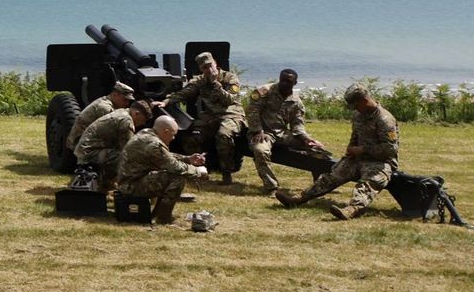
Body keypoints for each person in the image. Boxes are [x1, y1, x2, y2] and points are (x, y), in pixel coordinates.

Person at [276, 84, 398, 219]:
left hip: (380, 162)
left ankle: (352, 209)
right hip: (358, 159)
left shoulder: (385, 120)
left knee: (367, 184)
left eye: (356, 105)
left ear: (364, 101)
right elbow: (355, 136)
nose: (355, 109)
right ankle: (299, 198)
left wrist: (362, 149)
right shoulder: (359, 115)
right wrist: (351, 151)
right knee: (331, 177)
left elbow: (390, 150)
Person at [164, 51, 245, 182]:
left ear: (215, 64)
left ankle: (226, 172)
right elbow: (184, 93)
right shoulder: (200, 80)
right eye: (204, 68)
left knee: (223, 135)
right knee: (191, 136)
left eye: (210, 65)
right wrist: (166, 101)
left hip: (231, 114)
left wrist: (215, 84)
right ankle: (200, 169)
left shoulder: (230, 78)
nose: (208, 69)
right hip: (210, 116)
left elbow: (229, 100)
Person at [245, 68, 327, 192]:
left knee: (316, 149)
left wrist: (305, 138)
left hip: (282, 133)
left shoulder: (296, 101)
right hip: (263, 133)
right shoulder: (264, 92)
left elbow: (297, 124)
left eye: (288, 81)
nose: (284, 83)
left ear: (294, 83)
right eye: (282, 80)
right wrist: (257, 131)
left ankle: (319, 182)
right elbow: (252, 112)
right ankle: (271, 186)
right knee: (260, 151)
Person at [116, 114, 208, 225]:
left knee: (169, 175)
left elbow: (164, 155)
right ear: (165, 131)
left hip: (129, 181)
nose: (173, 138)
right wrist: (198, 171)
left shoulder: (146, 134)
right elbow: (175, 167)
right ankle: (163, 219)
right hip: (131, 187)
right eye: (173, 134)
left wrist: (187, 159)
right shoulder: (154, 144)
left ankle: (158, 214)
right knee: (177, 178)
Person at [73, 99, 152, 185]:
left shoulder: (122, 112)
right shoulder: (126, 121)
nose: (143, 123)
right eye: (143, 119)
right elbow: (129, 150)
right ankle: (108, 185)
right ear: (137, 114)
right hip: (88, 154)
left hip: (87, 150)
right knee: (124, 158)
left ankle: (104, 182)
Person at [65, 81, 134, 154]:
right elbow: (112, 134)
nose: (127, 104)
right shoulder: (105, 108)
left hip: (85, 141)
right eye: (125, 100)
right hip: (79, 145)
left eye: (128, 101)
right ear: (114, 95)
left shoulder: (107, 102)